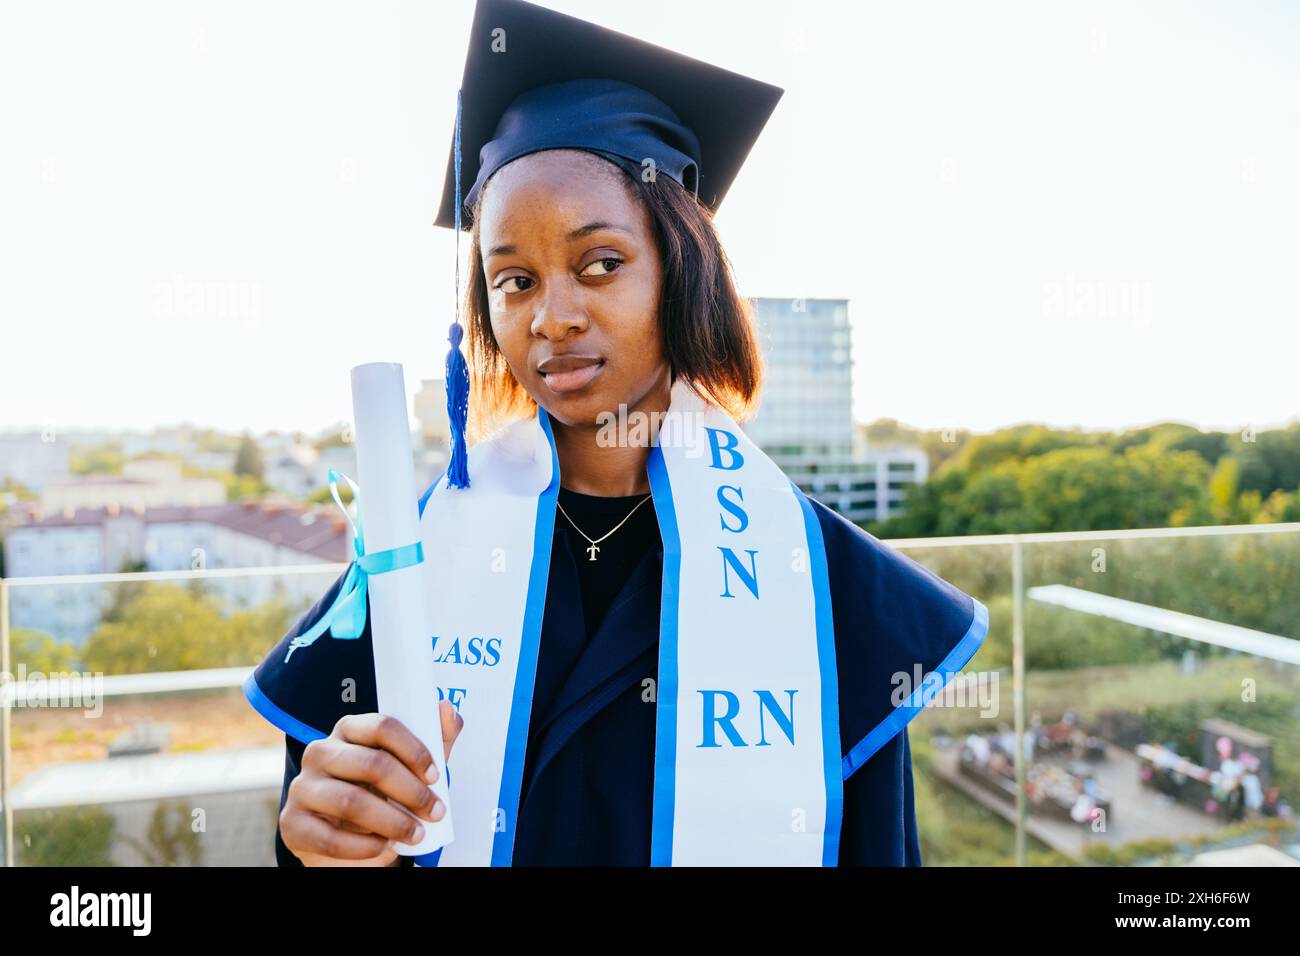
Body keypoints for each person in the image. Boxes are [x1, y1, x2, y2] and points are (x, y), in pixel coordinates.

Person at [243, 0, 989, 867]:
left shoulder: (825, 585)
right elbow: (329, 837)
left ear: (684, 268)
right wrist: (321, 846)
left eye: (600, 263)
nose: (551, 318)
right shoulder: (412, 565)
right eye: (513, 280)